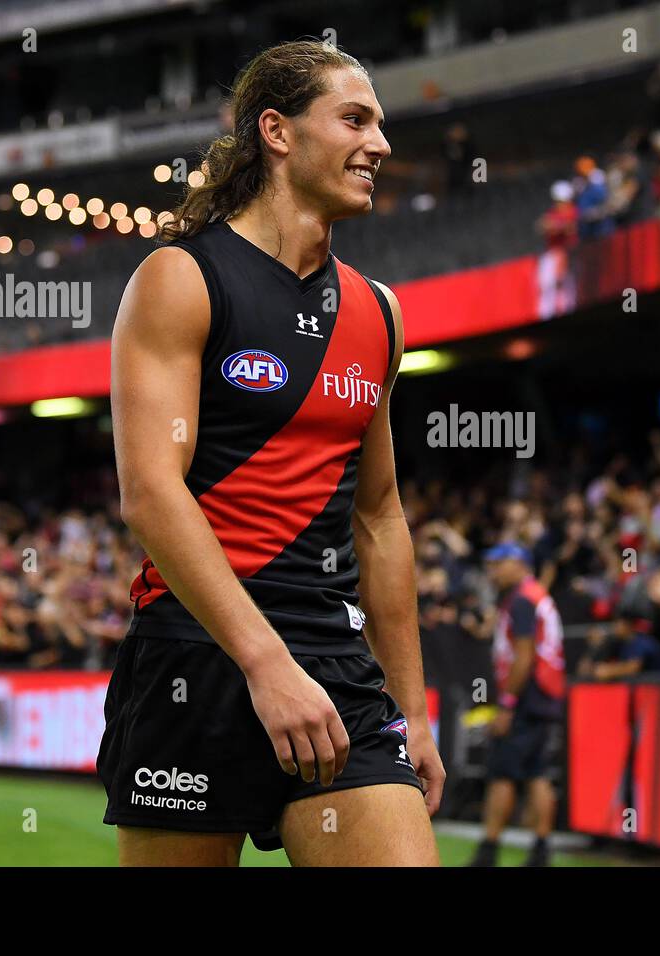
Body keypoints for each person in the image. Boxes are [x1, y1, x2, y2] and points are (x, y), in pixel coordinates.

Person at [96, 40, 444, 867]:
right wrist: (265, 664)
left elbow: (381, 518)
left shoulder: (379, 313)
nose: (381, 144)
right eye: (355, 119)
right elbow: (151, 493)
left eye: (382, 124)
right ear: (278, 132)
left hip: (335, 661)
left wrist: (413, 709)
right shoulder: (179, 279)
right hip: (196, 656)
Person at [470, 543, 566, 868]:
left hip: (528, 695)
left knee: (502, 772)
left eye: (499, 564)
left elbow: (524, 656)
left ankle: (489, 849)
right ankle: (540, 850)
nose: (493, 571)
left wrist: (507, 704)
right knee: (537, 772)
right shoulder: (535, 595)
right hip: (543, 695)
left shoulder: (523, 599)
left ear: (520, 564)